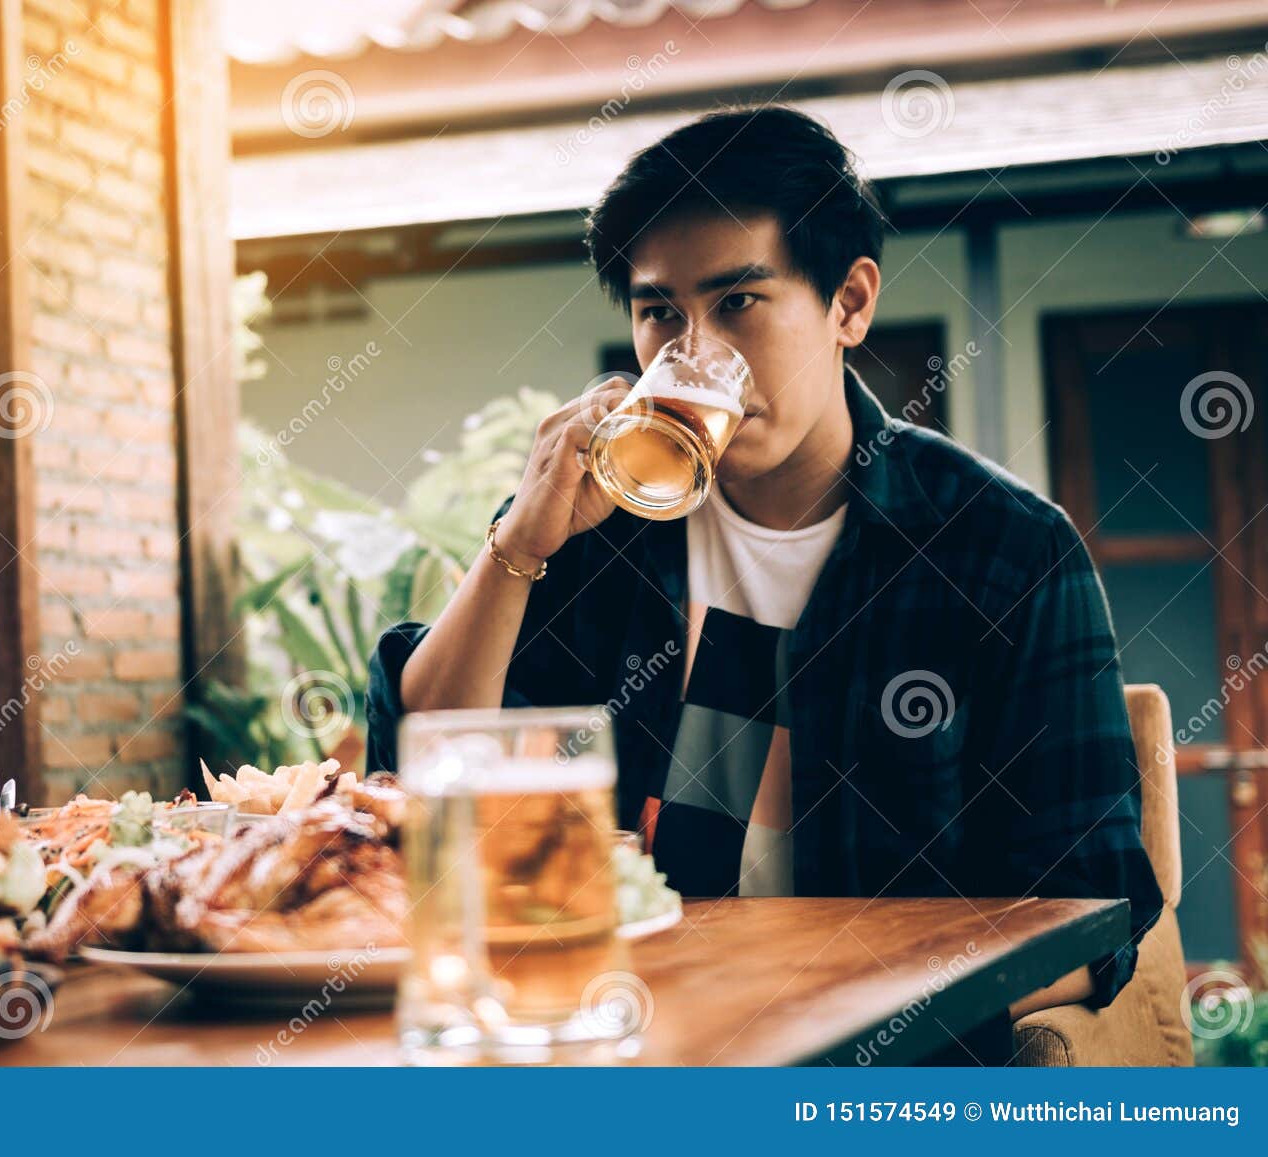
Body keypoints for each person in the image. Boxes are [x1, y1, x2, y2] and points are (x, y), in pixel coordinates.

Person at [365, 106, 1160, 1065]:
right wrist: (519, 543)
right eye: (661, 311)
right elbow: (420, 772)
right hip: (616, 1057)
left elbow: (1090, 907)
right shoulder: (591, 527)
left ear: (850, 304)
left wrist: (826, 1011)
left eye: (738, 302)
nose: (697, 351)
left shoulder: (1003, 551)